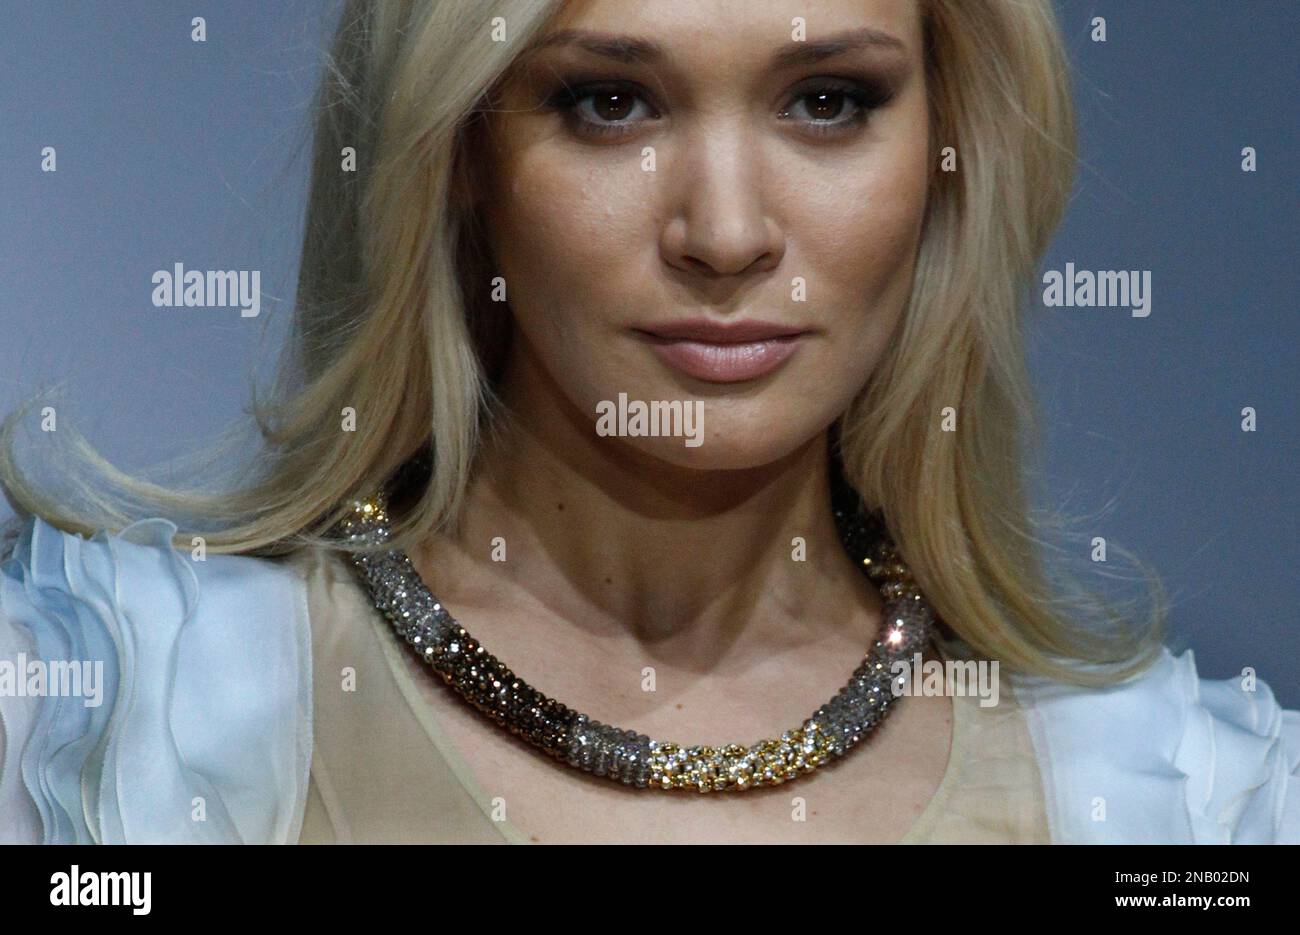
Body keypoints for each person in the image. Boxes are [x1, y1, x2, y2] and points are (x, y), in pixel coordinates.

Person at [1, 0, 1295, 844]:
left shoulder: (1180, 809)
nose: (726, 233)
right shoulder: (119, 736)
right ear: (457, 154)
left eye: (828, 101)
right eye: (611, 104)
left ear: (950, 149)